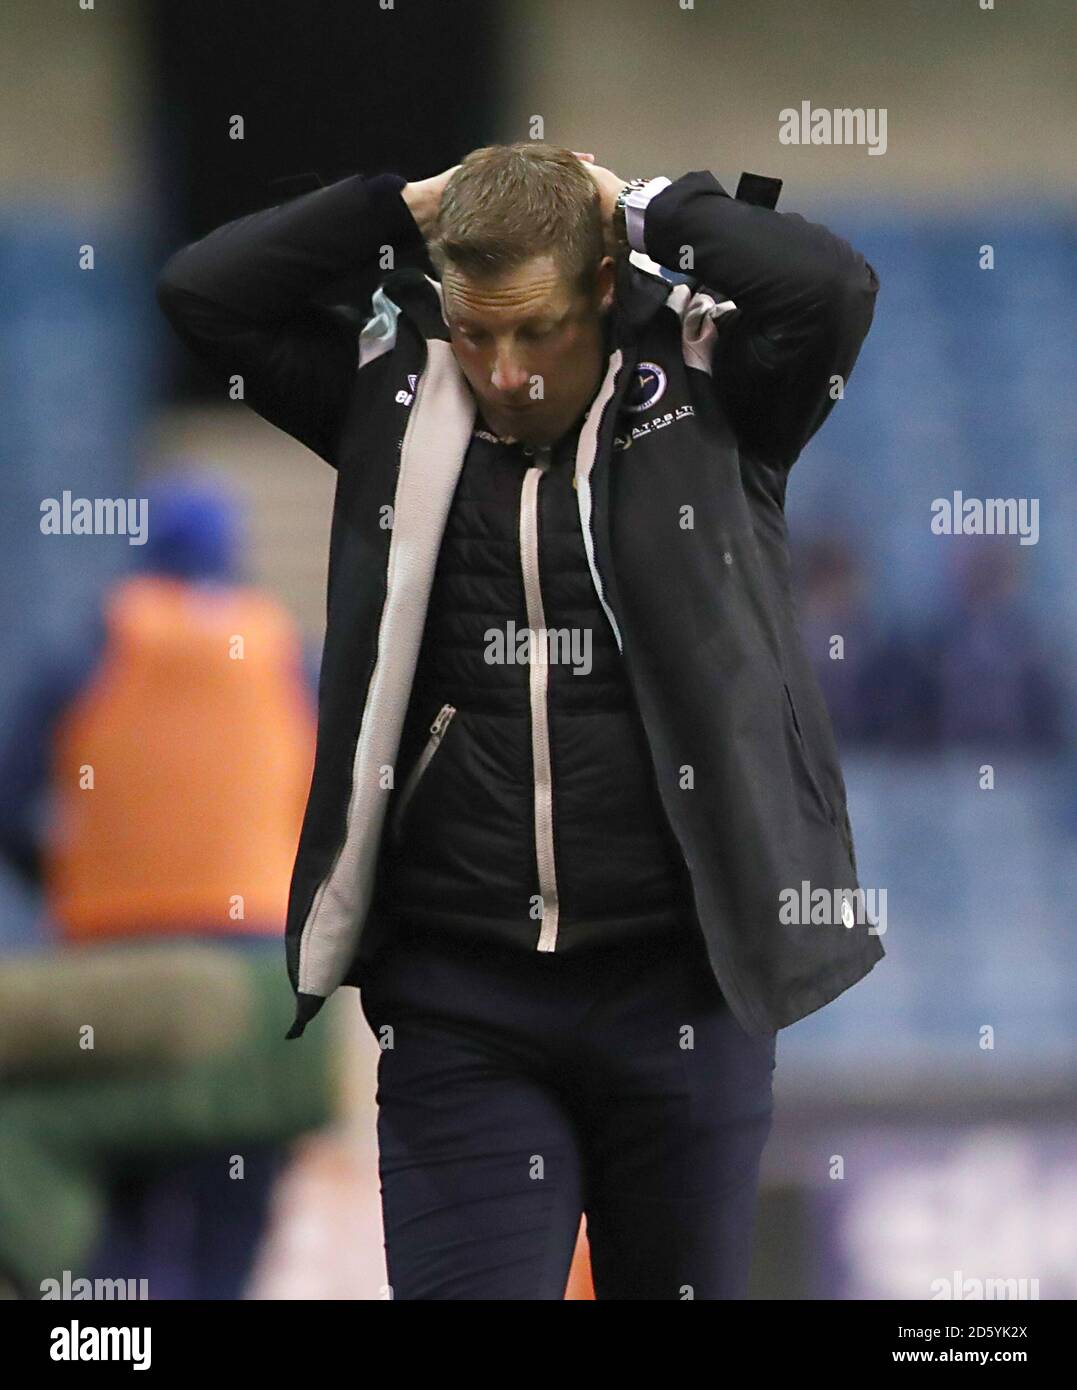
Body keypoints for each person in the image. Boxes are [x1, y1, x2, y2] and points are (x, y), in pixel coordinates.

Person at [156, 142, 885, 1299]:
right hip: (461, 1000)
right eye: (476, 329)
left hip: (682, 988)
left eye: (534, 329)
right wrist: (394, 207)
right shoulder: (389, 395)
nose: (503, 367)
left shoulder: (717, 390)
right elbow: (205, 290)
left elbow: (832, 288)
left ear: (603, 285)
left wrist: (639, 205)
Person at [0, 473, 334, 1299]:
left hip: (116, 976)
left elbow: (12, 800)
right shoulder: (290, 655)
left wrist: (61, 875)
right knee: (232, 1201)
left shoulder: (89, 651)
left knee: (129, 1200)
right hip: (264, 981)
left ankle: (118, 1319)